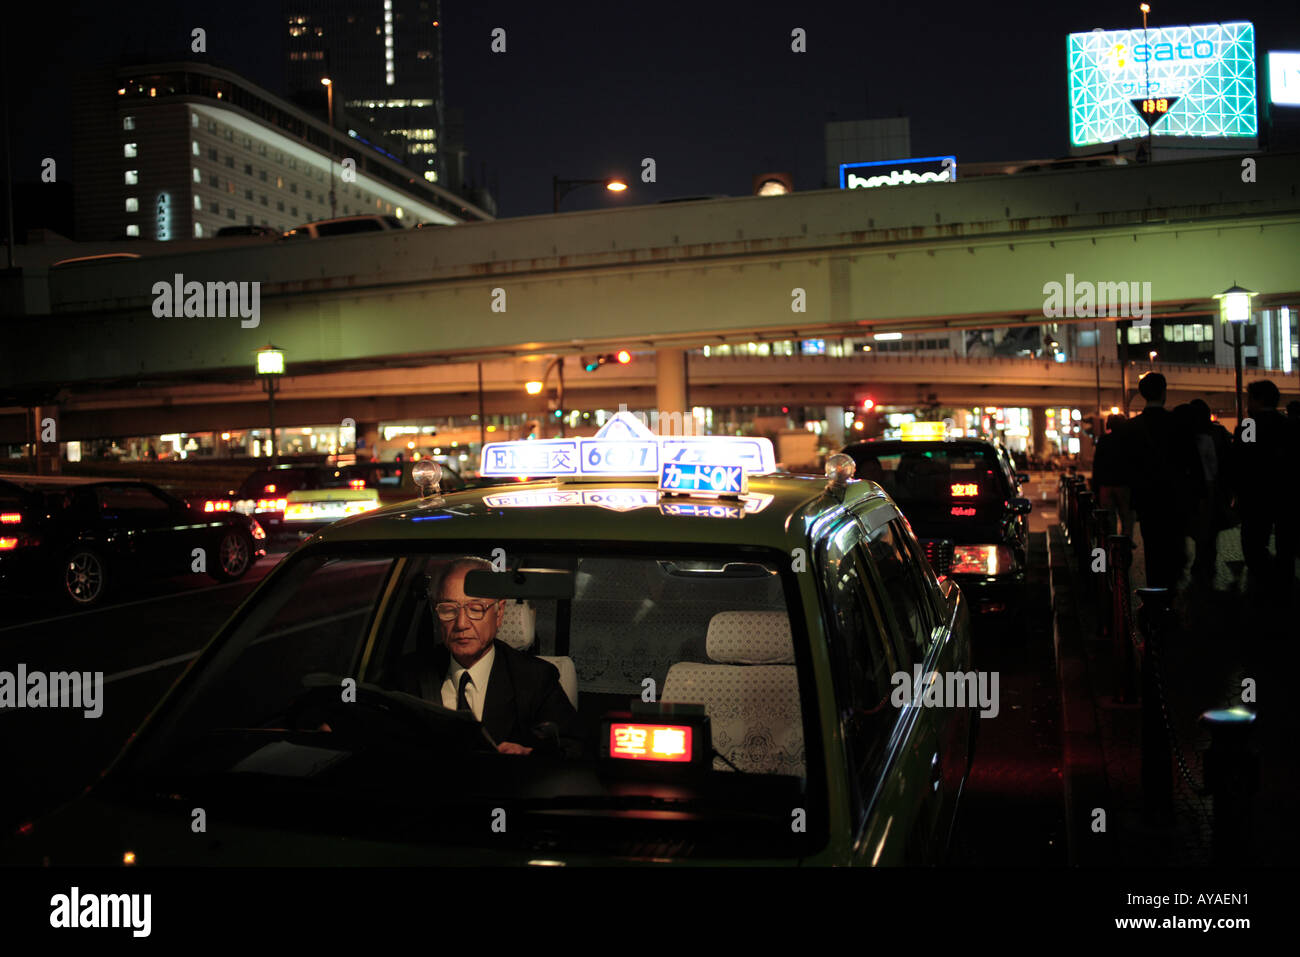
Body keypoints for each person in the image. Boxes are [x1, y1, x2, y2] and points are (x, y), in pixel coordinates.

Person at [399, 556, 579, 754]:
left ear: (499, 613)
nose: (461, 624)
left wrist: (529, 755)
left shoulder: (535, 679)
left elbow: (571, 747)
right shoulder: (409, 675)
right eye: (448, 610)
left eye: (475, 609)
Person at [1125, 373, 1198, 590]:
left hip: (1146, 497)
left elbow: (1128, 465)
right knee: (1173, 542)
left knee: (1152, 545)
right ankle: (1173, 587)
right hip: (1174, 495)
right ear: (1164, 391)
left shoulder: (1132, 427)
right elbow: (1191, 460)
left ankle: (1155, 591)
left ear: (1142, 394)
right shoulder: (1176, 423)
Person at [1232, 381, 1298, 596]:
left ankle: (1262, 583)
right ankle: (1285, 582)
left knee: (1254, 541)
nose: (1247, 403)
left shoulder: (1249, 426)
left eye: (1249, 398)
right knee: (1285, 542)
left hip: (1255, 495)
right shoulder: (1289, 425)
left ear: (1258, 400)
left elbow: (1241, 460)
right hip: (1285, 494)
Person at [1091, 413, 1135, 537]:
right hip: (1124, 484)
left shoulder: (1103, 440)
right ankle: (1126, 542)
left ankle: (1111, 543)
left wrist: (1095, 487)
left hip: (1106, 484)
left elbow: (1097, 465)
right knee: (1126, 516)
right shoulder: (1129, 440)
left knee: (1109, 518)